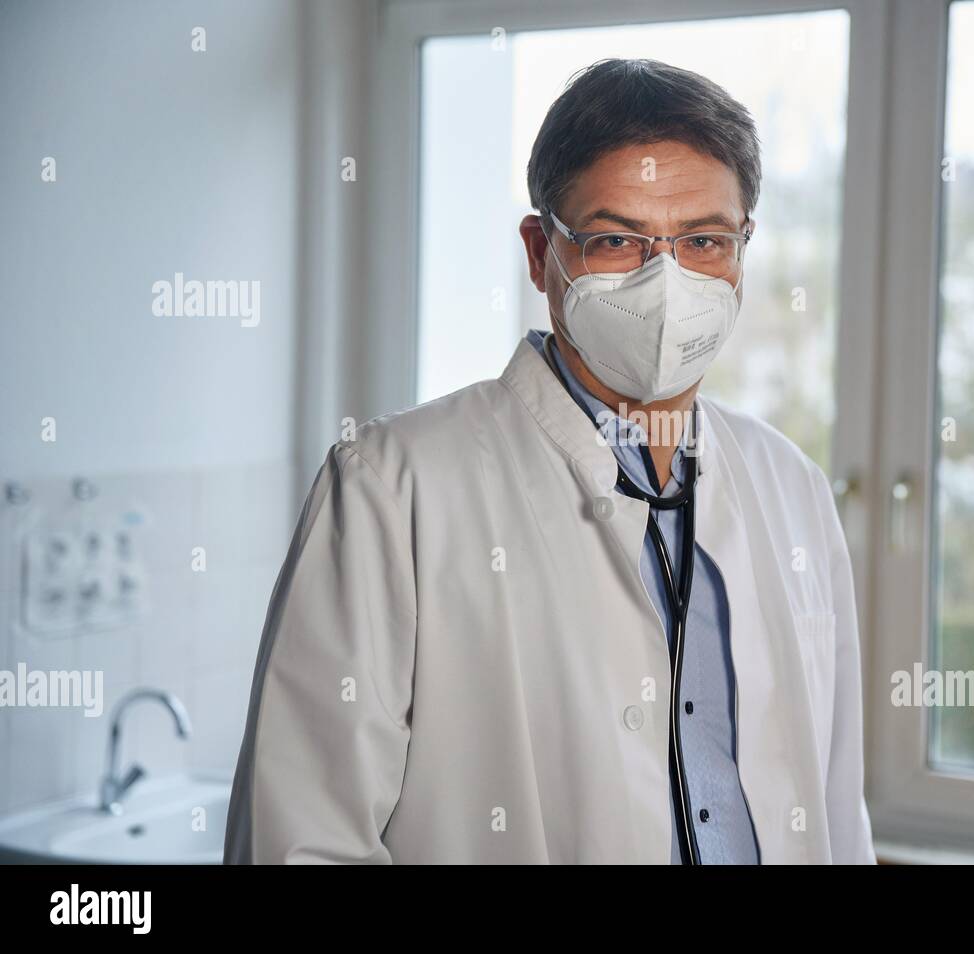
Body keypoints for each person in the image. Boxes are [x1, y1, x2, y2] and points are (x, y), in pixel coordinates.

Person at [224, 58, 875, 864]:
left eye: (703, 240)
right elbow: (302, 838)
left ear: (743, 251)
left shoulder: (791, 487)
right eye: (615, 239)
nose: (665, 279)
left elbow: (835, 808)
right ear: (541, 253)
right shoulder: (394, 486)